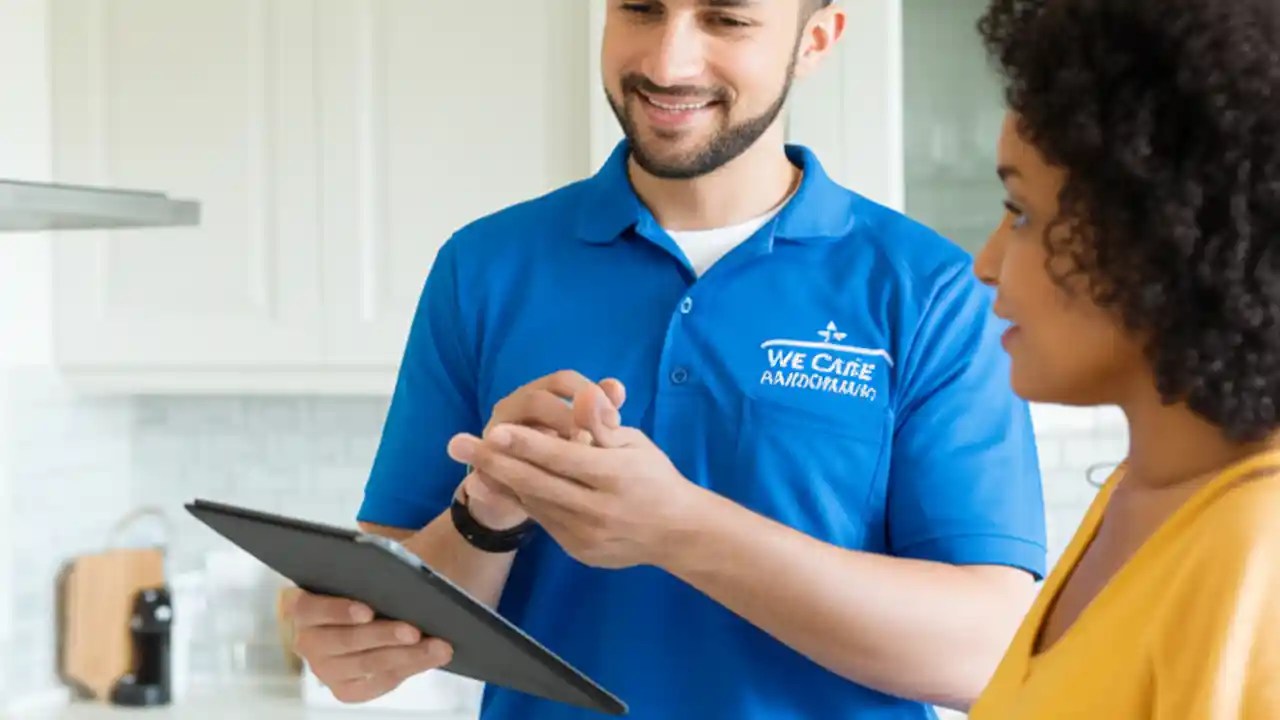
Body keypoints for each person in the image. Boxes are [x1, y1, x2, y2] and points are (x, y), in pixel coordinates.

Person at [287, 1, 1048, 718]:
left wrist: (680, 528)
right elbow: (399, 596)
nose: (669, 60)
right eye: (641, 9)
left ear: (814, 40)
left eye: (725, 18)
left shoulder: (930, 289)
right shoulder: (484, 267)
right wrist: (477, 519)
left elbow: (987, 653)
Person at [965, 0, 1280, 717]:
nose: (986, 263)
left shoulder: (1257, 557)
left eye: (1021, 214)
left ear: (1160, 238)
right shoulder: (1139, 496)